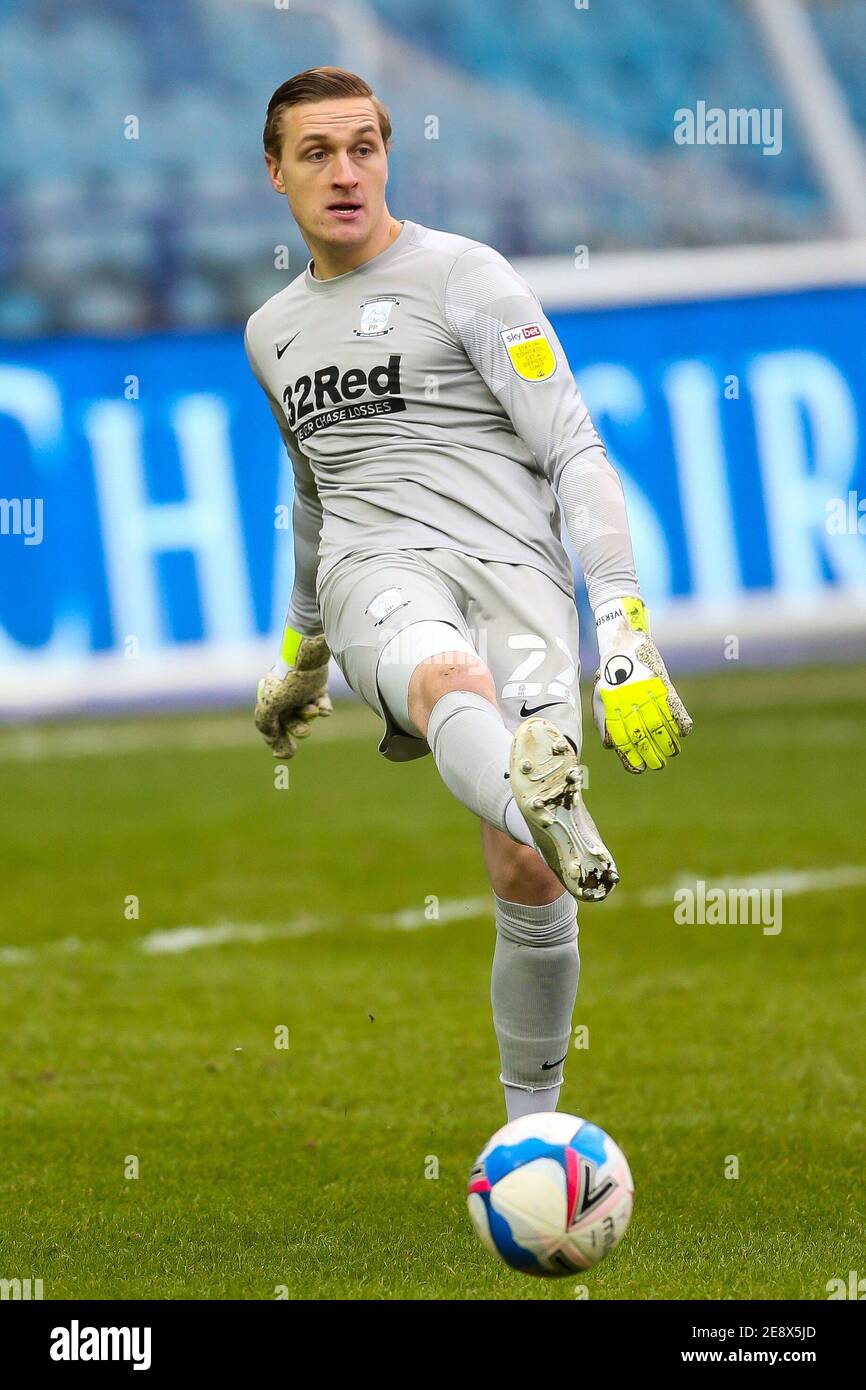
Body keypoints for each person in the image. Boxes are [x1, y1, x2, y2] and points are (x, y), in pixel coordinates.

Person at [245, 67, 692, 1121]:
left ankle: (530, 1137)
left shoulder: (468, 278)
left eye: (363, 147)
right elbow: (312, 498)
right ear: (274, 173)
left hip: (513, 575)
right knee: (449, 681)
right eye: (316, 153)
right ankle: (536, 794)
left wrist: (621, 630)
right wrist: (303, 652)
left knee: (526, 875)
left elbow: (572, 447)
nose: (344, 172)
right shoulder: (271, 332)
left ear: (388, 156)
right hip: (375, 568)